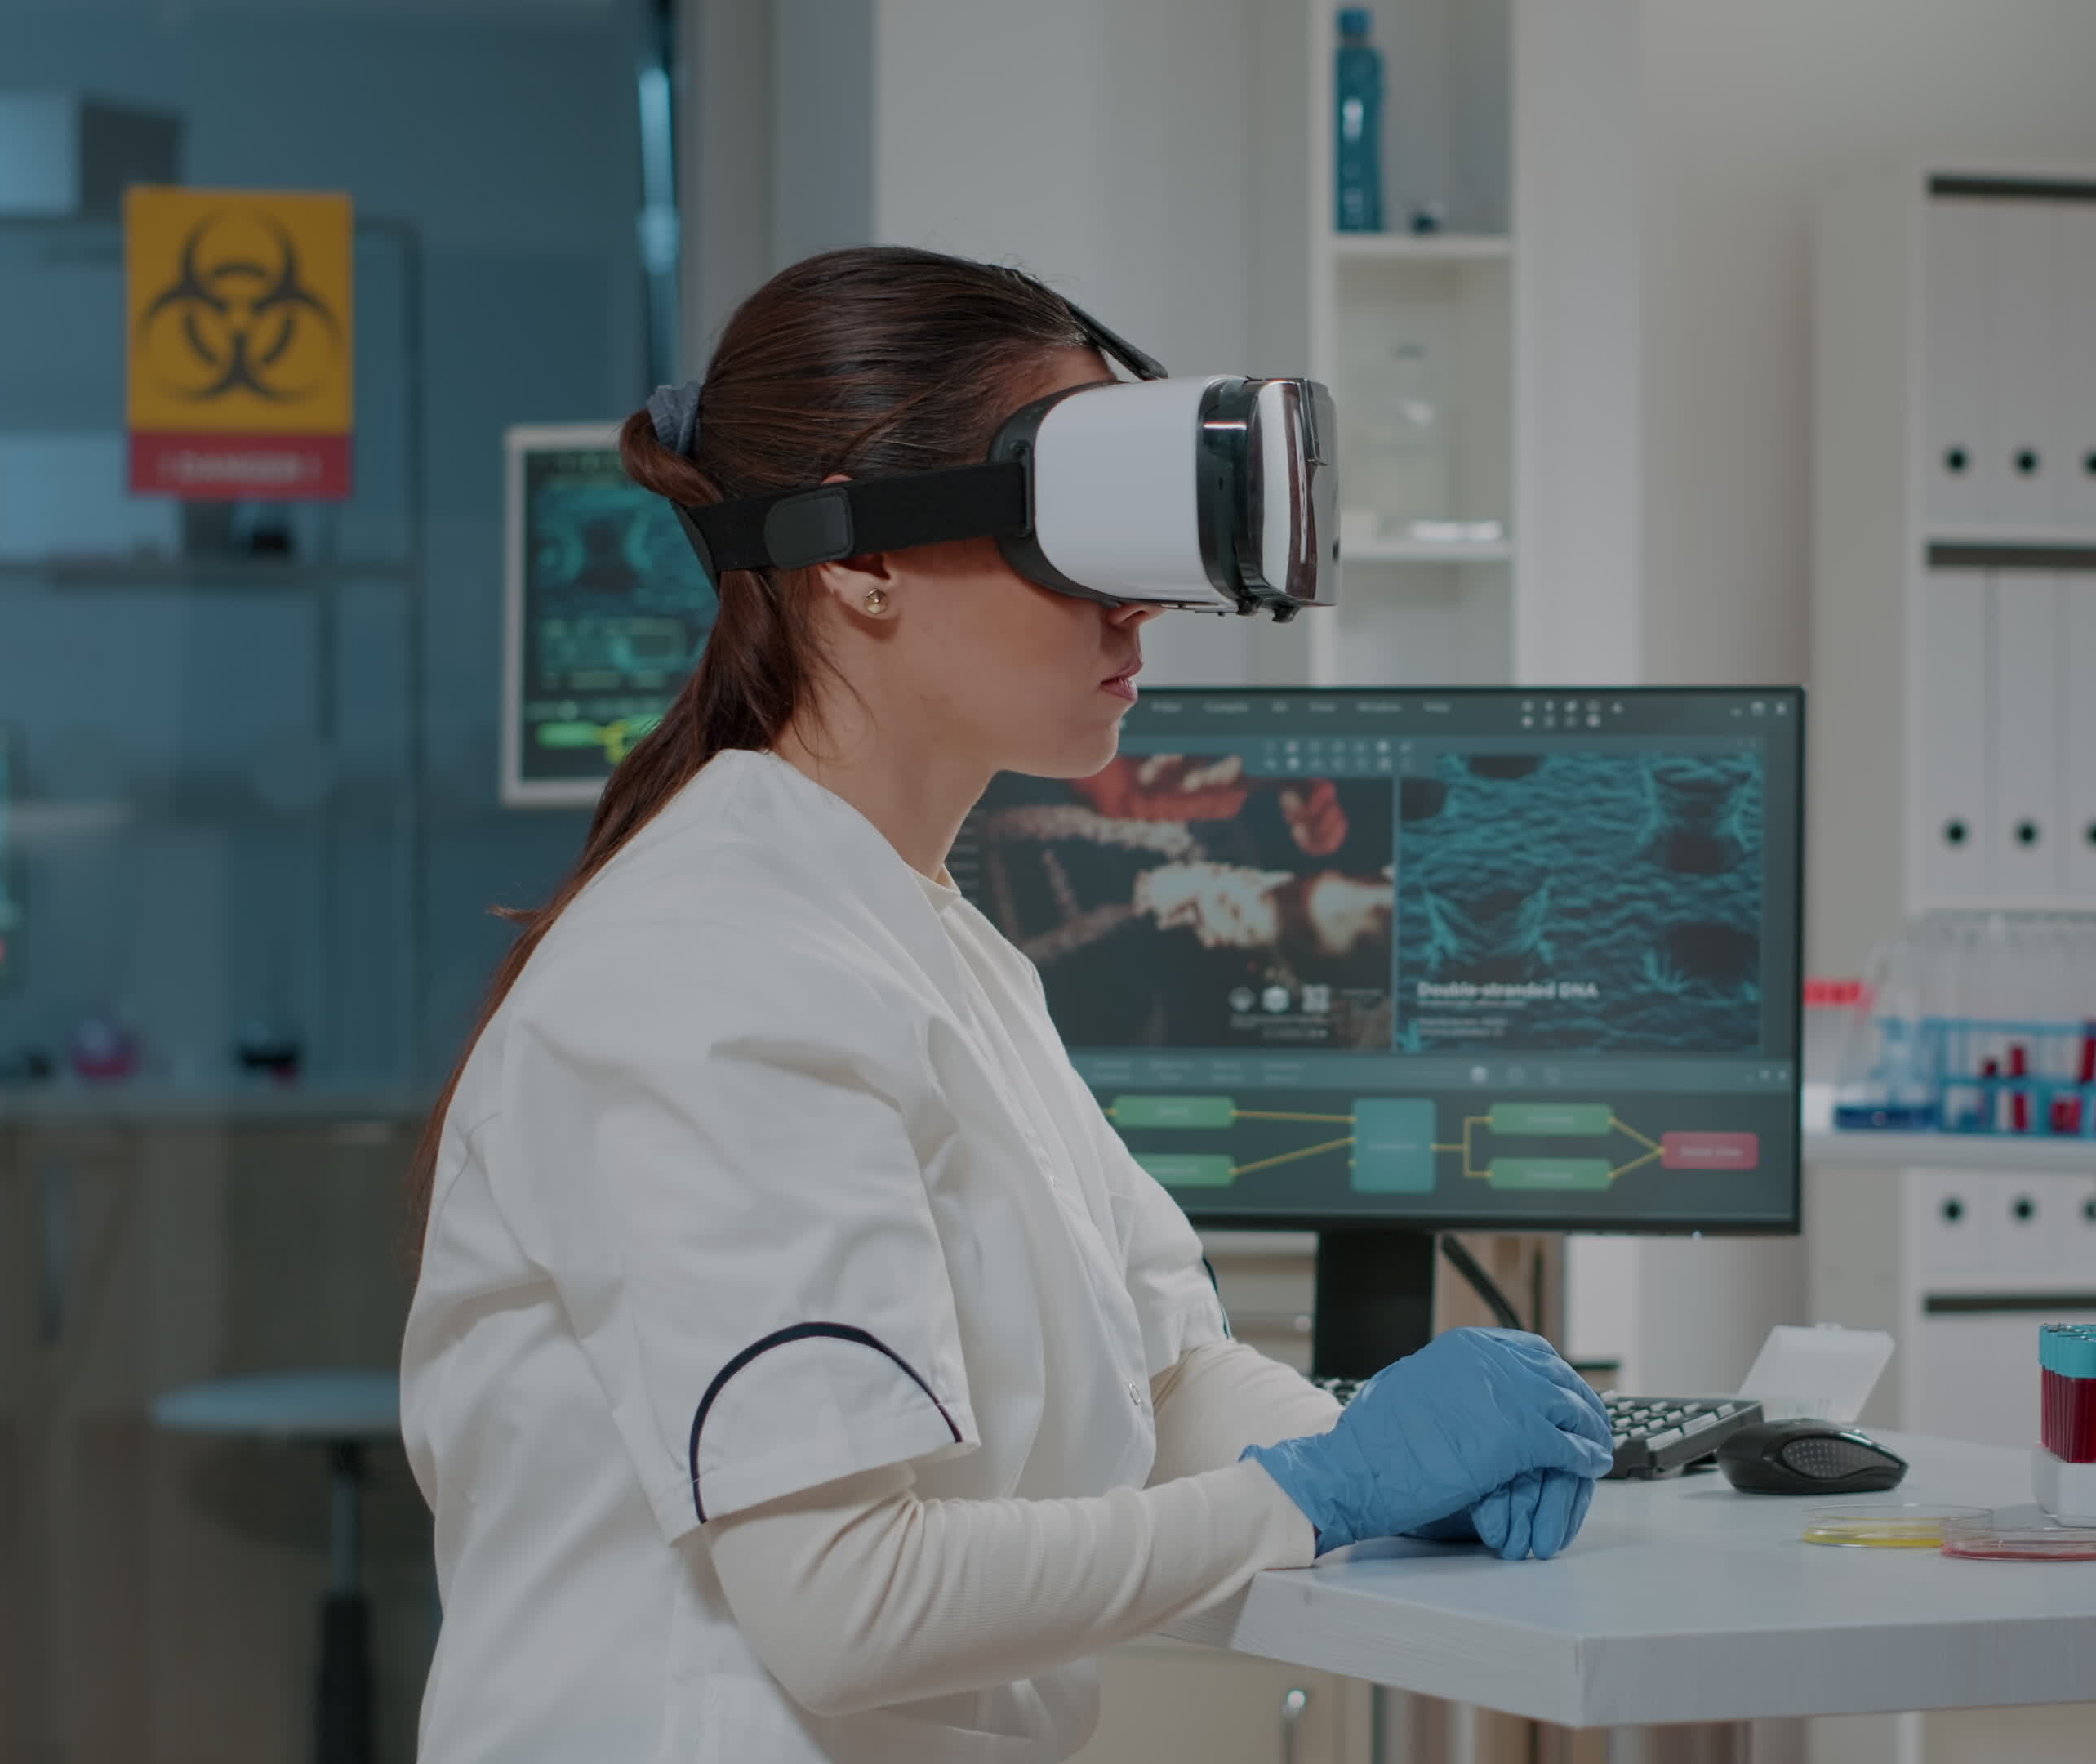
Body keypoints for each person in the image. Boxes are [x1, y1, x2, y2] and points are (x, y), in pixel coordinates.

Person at [397, 247, 1613, 1764]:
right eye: (1075, 532)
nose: (1136, 619)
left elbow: (1162, 1371)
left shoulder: (931, 940)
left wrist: (1387, 1457)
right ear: (860, 560)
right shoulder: (708, 970)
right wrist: (1317, 1498)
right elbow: (842, 1605)